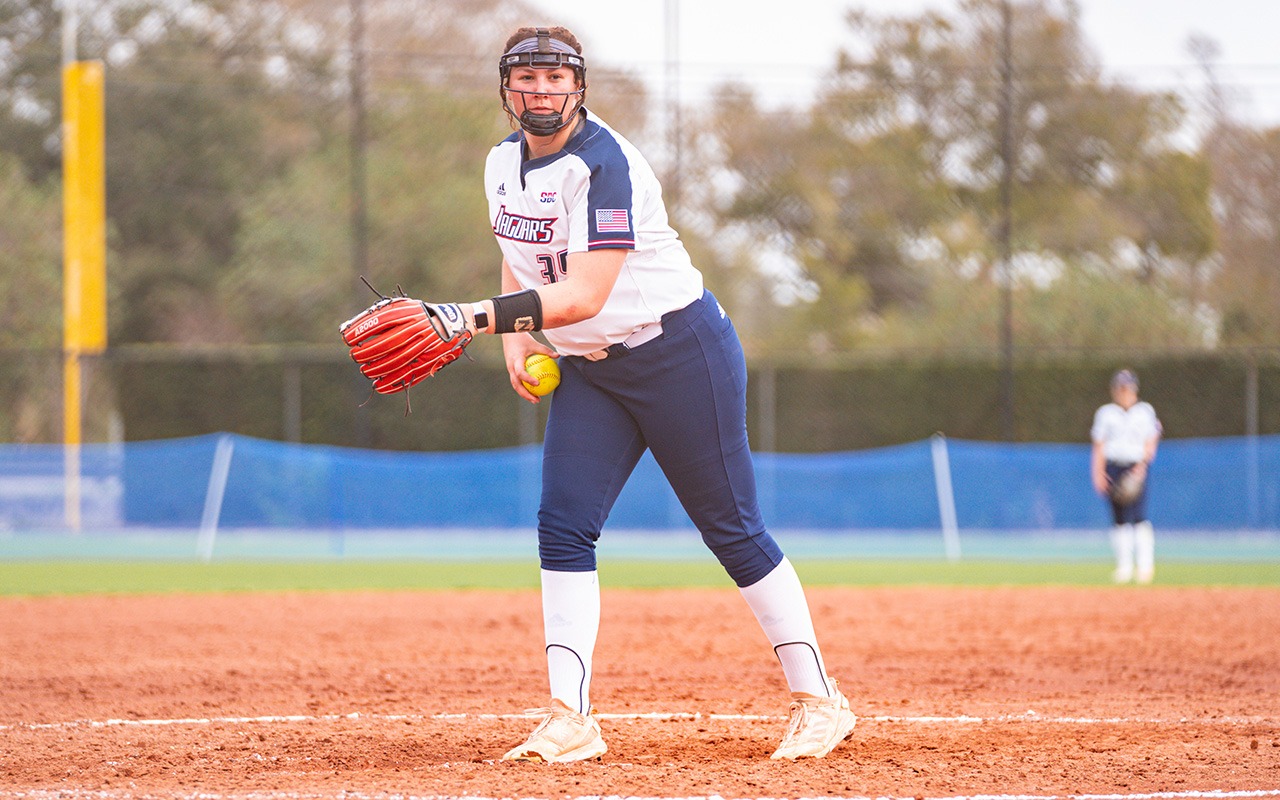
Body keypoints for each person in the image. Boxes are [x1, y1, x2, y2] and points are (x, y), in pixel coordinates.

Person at [426, 26, 855, 762]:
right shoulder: (500, 163)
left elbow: (587, 293)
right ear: (505, 89)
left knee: (732, 528)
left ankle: (820, 701)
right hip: (590, 370)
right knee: (562, 525)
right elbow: (519, 255)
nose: (540, 91)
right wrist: (513, 340)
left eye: (555, 78)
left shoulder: (606, 162)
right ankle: (571, 718)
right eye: (525, 78)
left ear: (578, 86)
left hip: (679, 352)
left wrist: (466, 320)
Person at [1090, 369, 1162, 584]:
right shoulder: (1106, 413)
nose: (1123, 391)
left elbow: (1152, 440)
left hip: (1135, 466)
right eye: (1120, 387)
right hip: (1113, 466)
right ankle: (1124, 567)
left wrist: (1143, 465)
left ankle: (1145, 567)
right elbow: (1099, 446)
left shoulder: (1144, 411)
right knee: (1119, 518)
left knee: (1140, 517)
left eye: (1127, 387)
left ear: (1134, 389)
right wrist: (1098, 473)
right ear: (1114, 390)